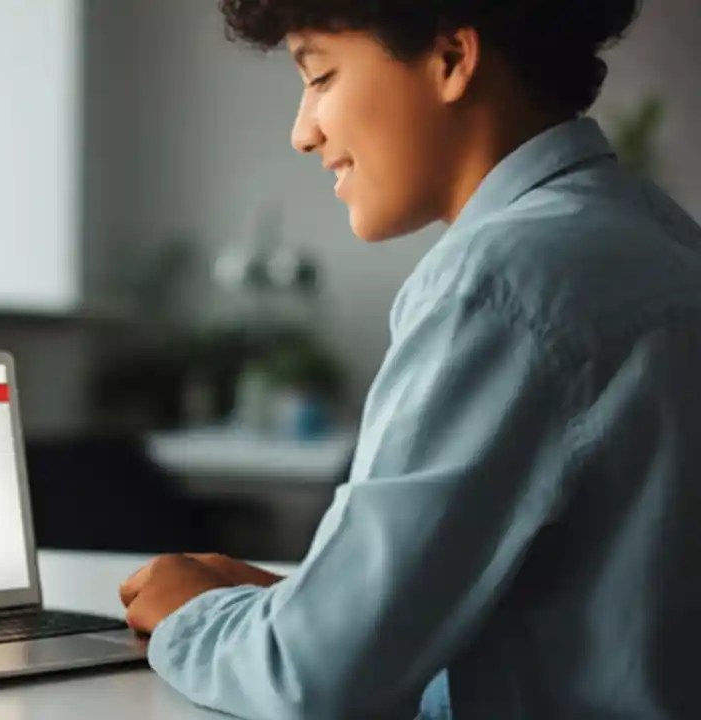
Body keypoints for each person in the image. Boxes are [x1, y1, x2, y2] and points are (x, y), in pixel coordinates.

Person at [118, 1, 701, 717]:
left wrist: (193, 616)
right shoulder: (661, 236)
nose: (303, 132)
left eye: (321, 76)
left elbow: (312, 679)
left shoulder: (500, 281)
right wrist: (302, 609)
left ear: (452, 57)